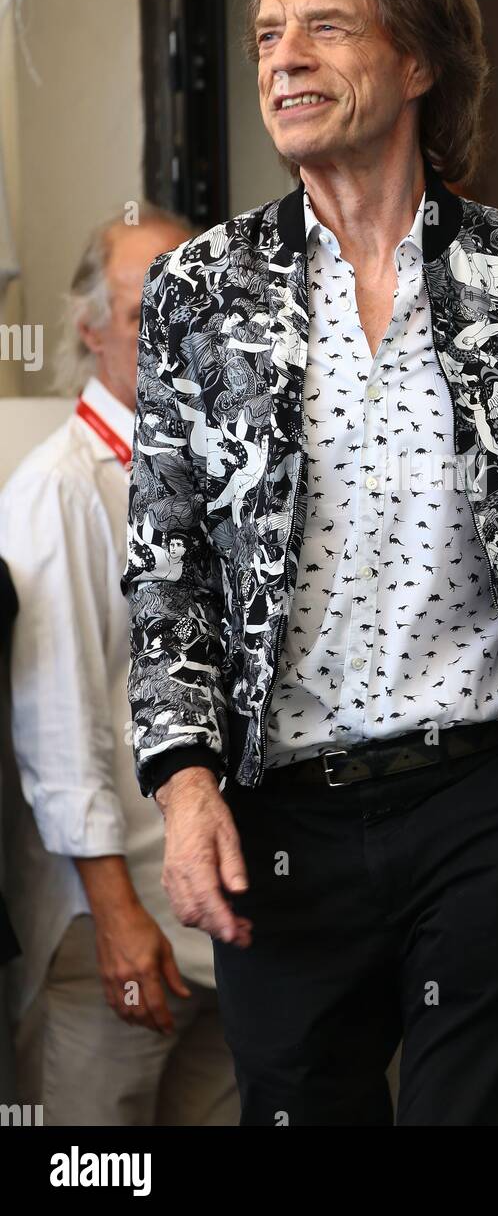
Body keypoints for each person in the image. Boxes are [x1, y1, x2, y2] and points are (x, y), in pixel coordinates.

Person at [121, 0, 498, 1127]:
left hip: (480, 798)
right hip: (278, 814)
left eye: (325, 26)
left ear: (415, 57)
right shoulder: (200, 294)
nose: (285, 60)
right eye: (265, 33)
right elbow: (167, 565)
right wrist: (184, 781)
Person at [0, 207, 239, 1125]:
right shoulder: (62, 488)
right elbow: (58, 731)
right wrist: (117, 918)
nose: (179, 333)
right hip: (117, 928)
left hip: (219, 922)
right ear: (90, 329)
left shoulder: (224, 472)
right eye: (149, 314)